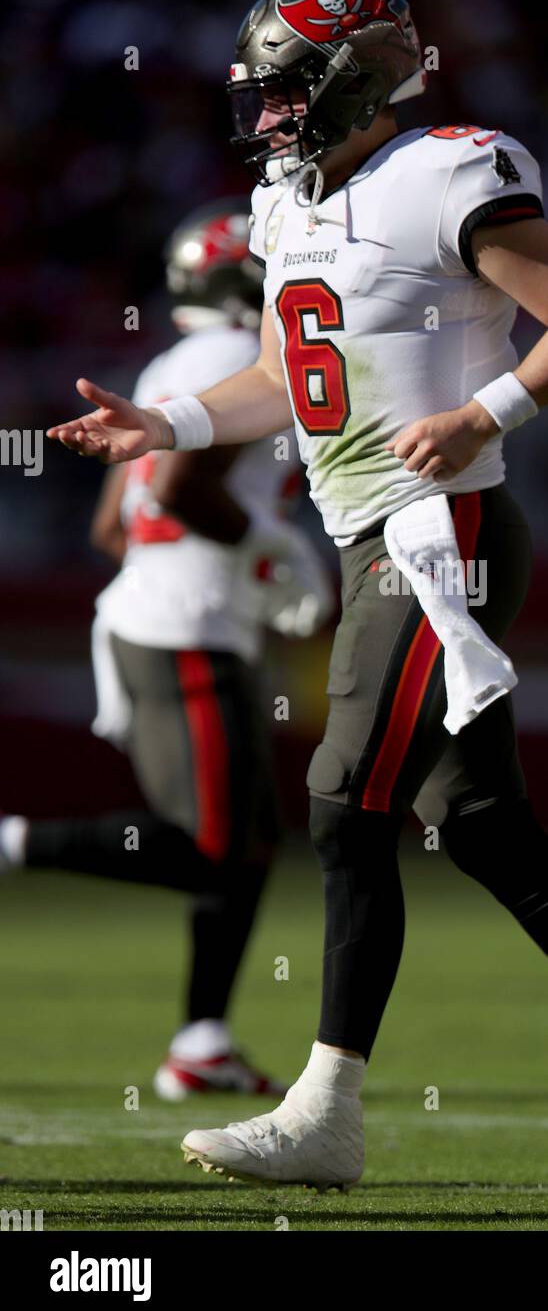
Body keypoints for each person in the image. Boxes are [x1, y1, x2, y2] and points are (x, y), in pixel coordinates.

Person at [46, 0, 548, 1195]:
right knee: (473, 819)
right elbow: (278, 377)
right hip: (370, 528)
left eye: (283, 91)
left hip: (439, 527)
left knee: (339, 800)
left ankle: (327, 1111)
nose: (264, 119)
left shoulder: (442, 172)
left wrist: (485, 410)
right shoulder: (289, 206)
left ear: (353, 76)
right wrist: (162, 427)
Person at [4, 199, 332, 1100]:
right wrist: (273, 550)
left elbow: (115, 523)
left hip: (163, 615)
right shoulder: (237, 355)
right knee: (215, 845)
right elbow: (183, 488)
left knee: (248, 839)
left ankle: (202, 1040)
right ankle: (12, 841)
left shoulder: (174, 358)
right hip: (183, 627)